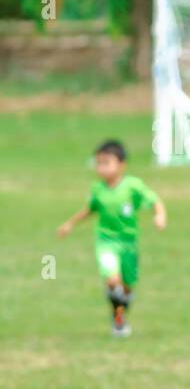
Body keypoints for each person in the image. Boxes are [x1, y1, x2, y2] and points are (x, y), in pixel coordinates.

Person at [56, 140, 167, 338]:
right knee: (113, 280)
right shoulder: (98, 189)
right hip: (105, 241)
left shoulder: (133, 186)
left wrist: (159, 216)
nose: (101, 168)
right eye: (98, 163)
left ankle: (119, 317)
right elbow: (90, 210)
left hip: (128, 244)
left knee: (127, 287)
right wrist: (69, 224)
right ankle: (118, 319)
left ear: (121, 165)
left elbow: (154, 201)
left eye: (107, 163)